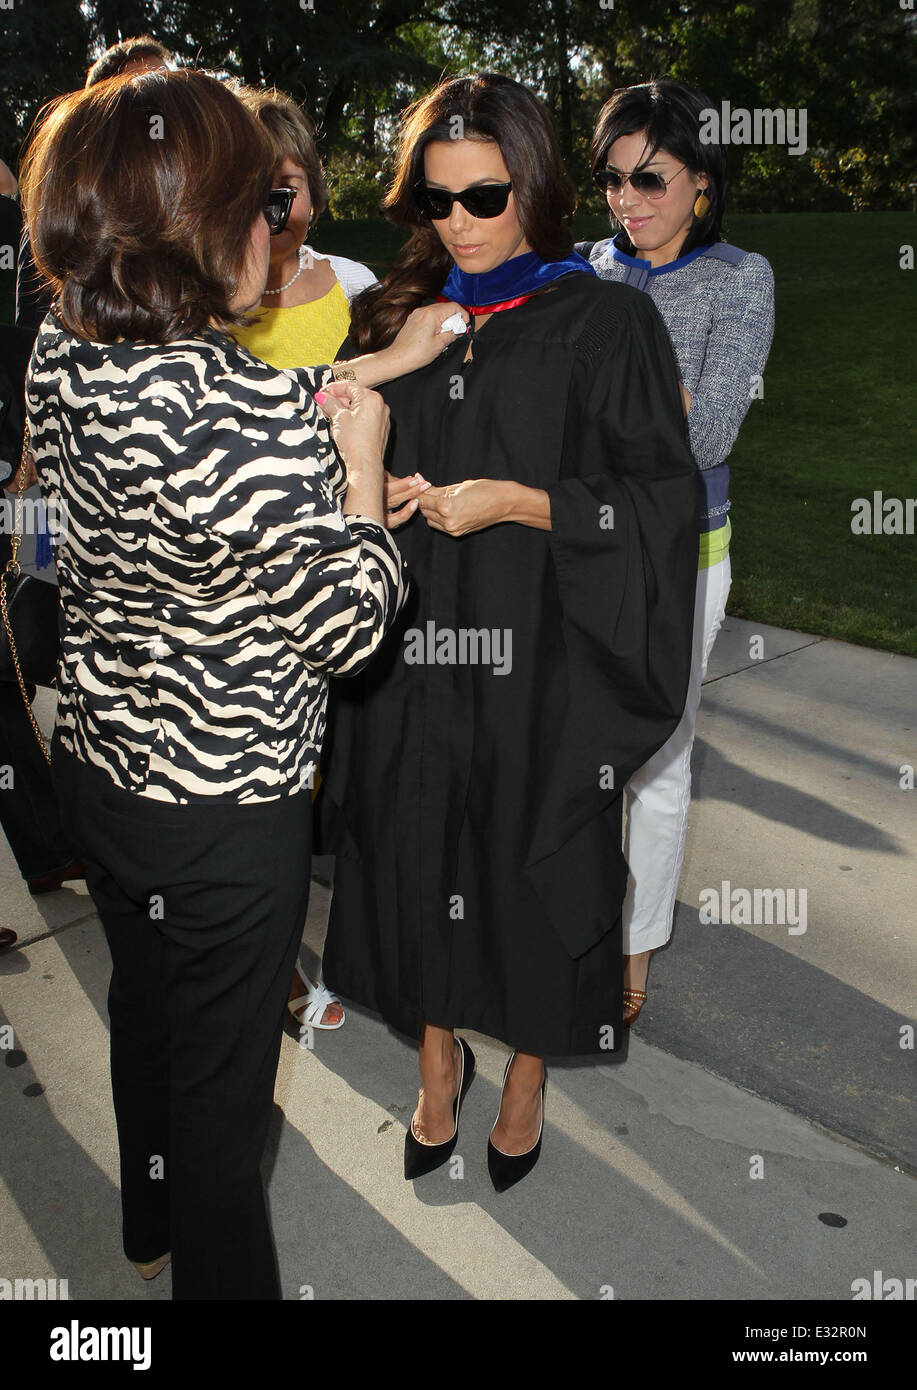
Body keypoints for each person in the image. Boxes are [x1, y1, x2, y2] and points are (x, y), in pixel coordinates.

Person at [20, 67, 412, 1299]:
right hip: (224, 808)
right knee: (221, 1115)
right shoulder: (251, 424)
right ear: (205, 231)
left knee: (144, 1014)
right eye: (264, 204)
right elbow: (351, 627)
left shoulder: (60, 344)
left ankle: (143, 1231)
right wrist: (361, 478)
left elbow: (180, 426)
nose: (276, 227)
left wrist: (322, 418)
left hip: (97, 764)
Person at [317, 72, 699, 1192]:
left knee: (529, 866)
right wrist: (371, 481)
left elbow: (659, 502)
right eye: (436, 202)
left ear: (532, 185)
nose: (459, 226)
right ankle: (436, 1069)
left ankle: (525, 1071)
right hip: (412, 647)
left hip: (543, 653)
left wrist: (523, 501)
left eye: (483, 198)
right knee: (413, 848)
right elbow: (312, 440)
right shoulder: (398, 312)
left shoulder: (606, 319)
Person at [578, 79, 775, 1023]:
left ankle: (635, 945)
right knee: (574, 750)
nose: (628, 202)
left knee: (657, 760)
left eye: (650, 179)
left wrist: (609, 407)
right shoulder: (585, 269)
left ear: (701, 181)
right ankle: (570, 923)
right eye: (613, 180)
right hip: (576, 546)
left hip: (682, 556)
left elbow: (707, 436)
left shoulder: (741, 278)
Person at [15, 37, 172, 333]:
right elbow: (29, 339)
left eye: (170, 84)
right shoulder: (58, 222)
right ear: (103, 118)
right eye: (146, 92)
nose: (167, 106)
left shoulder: (196, 211)